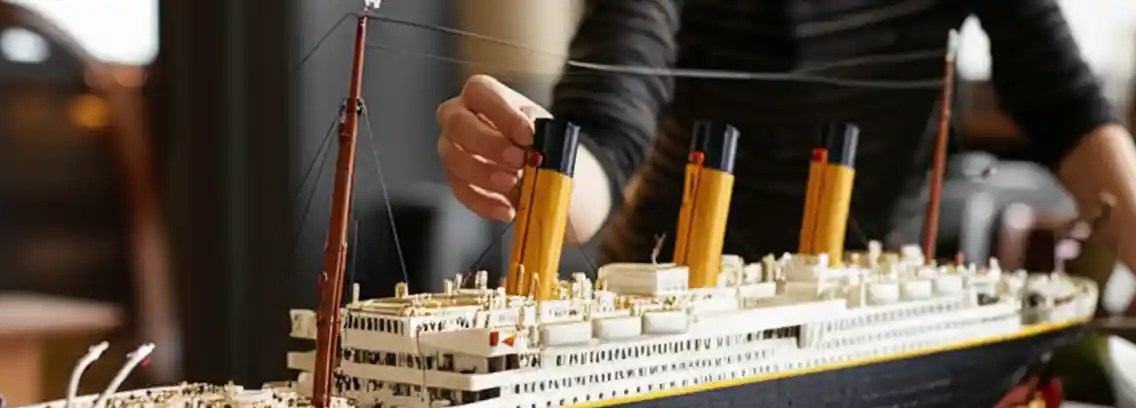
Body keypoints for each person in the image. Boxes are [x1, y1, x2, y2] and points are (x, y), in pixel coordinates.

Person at [434, 0, 1136, 276]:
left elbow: (1064, 104)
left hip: (864, 309)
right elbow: (612, 121)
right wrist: (542, 167)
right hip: (683, 303)